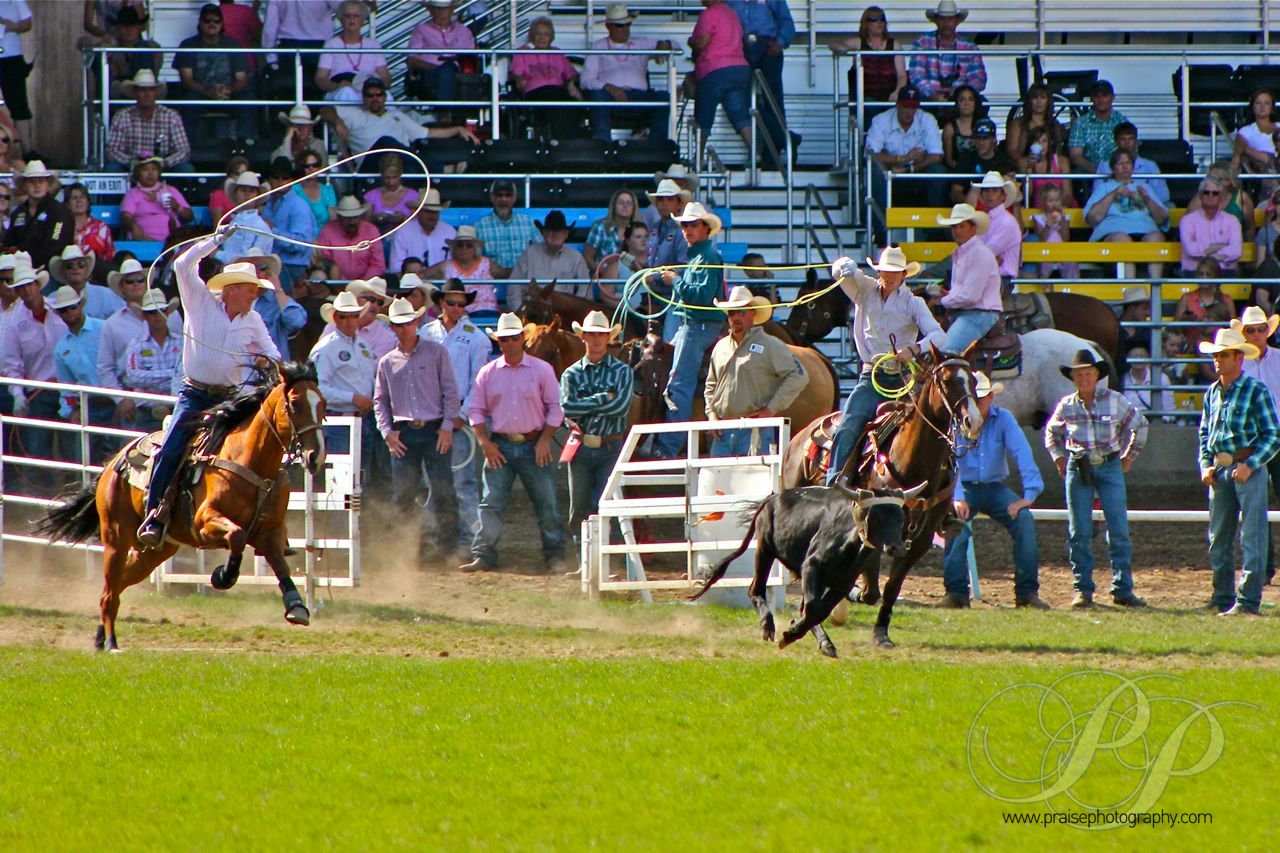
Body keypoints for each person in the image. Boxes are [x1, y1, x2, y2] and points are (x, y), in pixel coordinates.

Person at [136, 232, 282, 546]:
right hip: (195, 395)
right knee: (174, 446)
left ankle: (267, 522)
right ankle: (155, 514)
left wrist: (264, 361)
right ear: (231, 290)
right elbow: (182, 264)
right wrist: (215, 240)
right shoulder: (200, 302)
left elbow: (273, 354)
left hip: (230, 398)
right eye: (251, 289)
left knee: (258, 448)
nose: (255, 295)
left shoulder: (252, 320)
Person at [824, 246, 946, 484]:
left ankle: (944, 483)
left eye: (894, 271)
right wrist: (844, 265)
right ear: (878, 271)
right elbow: (839, 272)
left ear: (904, 274)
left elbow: (939, 335)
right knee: (849, 424)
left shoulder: (914, 303)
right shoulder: (865, 290)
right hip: (872, 376)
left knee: (932, 426)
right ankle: (834, 480)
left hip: (903, 378)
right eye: (884, 270)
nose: (888, 276)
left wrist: (913, 349)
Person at [460, 312, 566, 574]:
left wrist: (544, 441)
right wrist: (485, 442)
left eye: (513, 338)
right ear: (500, 342)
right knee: (492, 503)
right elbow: (475, 411)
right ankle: (484, 555)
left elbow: (556, 409)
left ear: (522, 339)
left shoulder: (542, 370)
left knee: (547, 502)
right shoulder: (488, 373)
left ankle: (554, 555)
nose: (509, 343)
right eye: (504, 339)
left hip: (532, 442)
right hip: (501, 444)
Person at [1045, 349, 1148, 609]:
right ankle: (1083, 589)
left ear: (1096, 376)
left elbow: (1140, 424)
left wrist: (1129, 457)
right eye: (1079, 375)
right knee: (1078, 531)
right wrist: (1058, 456)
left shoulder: (1114, 400)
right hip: (1078, 465)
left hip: (1109, 464)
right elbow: (1051, 432)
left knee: (1118, 529)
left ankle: (1122, 588)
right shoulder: (1066, 405)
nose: (1084, 379)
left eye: (1088, 374)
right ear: (1074, 378)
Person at [942, 373, 1048, 609]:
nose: (976, 404)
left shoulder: (1004, 419)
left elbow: (1022, 453)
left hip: (994, 487)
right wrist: (957, 496)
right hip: (966, 487)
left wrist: (1028, 496)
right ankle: (956, 594)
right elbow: (950, 463)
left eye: (980, 398)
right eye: (973, 399)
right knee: (957, 526)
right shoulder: (956, 421)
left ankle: (1027, 593)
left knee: (1024, 521)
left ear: (990, 397)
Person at [1197, 326, 1280, 615]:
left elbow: (1273, 435)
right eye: (1216, 355)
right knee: (1219, 537)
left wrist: (1252, 465)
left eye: (1224, 355)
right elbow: (1205, 433)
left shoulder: (1257, 391)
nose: (1218, 360)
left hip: (1247, 467)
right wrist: (1205, 465)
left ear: (1239, 358)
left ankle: (1247, 600)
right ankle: (1222, 596)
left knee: (1251, 536)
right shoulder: (1211, 393)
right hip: (1221, 470)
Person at [372, 295, 461, 560]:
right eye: (399, 325)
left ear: (416, 322)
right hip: (405, 431)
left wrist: (446, 427)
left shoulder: (437, 352)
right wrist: (387, 432)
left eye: (408, 323)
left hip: (434, 429)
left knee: (443, 489)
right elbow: (380, 400)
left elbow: (450, 392)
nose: (404, 328)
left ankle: (447, 548)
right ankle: (409, 549)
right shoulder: (386, 362)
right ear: (393, 328)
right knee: (404, 494)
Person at [651, 202, 728, 458]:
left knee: (678, 385)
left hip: (699, 325)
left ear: (705, 228)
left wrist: (676, 280)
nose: (687, 229)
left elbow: (702, 296)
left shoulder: (707, 257)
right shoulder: (698, 255)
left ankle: (668, 449)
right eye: (684, 225)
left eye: (693, 225)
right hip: (692, 324)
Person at [422, 279, 493, 548]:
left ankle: (470, 541)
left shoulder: (476, 337)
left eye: (461, 304)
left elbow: (478, 381)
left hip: (458, 418)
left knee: (464, 482)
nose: (456, 307)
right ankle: (434, 539)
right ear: (441, 303)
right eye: (451, 302)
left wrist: (461, 413)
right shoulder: (425, 333)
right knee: (430, 482)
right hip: (429, 416)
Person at [703, 285, 807, 456]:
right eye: (731, 313)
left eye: (741, 312)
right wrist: (711, 414)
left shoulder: (770, 344)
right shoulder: (720, 346)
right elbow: (711, 385)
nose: (736, 317)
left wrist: (771, 409)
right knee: (718, 482)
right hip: (722, 430)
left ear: (753, 313)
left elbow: (798, 375)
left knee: (753, 481)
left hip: (754, 429)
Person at [560, 310, 634, 529]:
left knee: (607, 506)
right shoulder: (570, 374)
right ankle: (585, 559)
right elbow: (567, 409)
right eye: (591, 334)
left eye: (601, 334)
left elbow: (621, 408)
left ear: (608, 337)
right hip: (582, 446)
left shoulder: (623, 372)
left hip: (609, 445)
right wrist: (602, 398)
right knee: (579, 507)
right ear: (583, 336)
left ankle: (609, 560)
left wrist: (585, 406)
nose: (596, 339)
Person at [1, 257, 68, 480]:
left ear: (38, 285)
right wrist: (18, 394)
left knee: (72, 450)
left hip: (67, 388)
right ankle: (40, 500)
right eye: (21, 287)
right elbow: (12, 364)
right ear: (17, 291)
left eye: (30, 285)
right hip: (38, 392)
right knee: (38, 452)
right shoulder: (13, 322)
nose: (27, 290)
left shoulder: (59, 309)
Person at [310, 289, 380, 480]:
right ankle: (337, 511)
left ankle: (358, 509)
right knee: (339, 477)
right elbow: (317, 389)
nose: (350, 321)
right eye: (344, 317)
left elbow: (368, 380)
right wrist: (353, 398)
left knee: (361, 474)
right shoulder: (326, 348)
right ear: (335, 318)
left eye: (354, 316)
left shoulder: (363, 346)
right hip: (337, 420)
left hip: (363, 419)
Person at [97, 260, 182, 416]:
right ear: (122, 286)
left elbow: (182, 358)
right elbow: (105, 368)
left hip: (174, 400)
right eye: (129, 281)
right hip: (135, 401)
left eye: (140, 279)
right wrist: (121, 399)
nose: (136, 284)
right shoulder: (112, 324)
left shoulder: (173, 316)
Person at [580, 4, 673, 142]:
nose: (625, 29)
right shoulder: (598, 46)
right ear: (608, 26)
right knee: (597, 97)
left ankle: (656, 147)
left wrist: (665, 44)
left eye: (627, 24)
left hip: (638, 96)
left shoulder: (641, 43)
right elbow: (586, 80)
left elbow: (677, 46)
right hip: (609, 97)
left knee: (663, 98)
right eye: (619, 25)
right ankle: (603, 146)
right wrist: (609, 87)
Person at [1234, 306, 1280, 583]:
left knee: (1257, 504)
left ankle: (1262, 568)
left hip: (1271, 438)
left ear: (1267, 331)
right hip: (1255, 442)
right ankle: (1263, 567)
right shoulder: (1240, 365)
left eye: (1260, 329)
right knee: (1255, 504)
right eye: (1250, 330)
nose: (1256, 334)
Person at [328, 76, 480, 157]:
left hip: (400, 165)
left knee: (417, 155)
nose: (375, 98)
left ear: (385, 97)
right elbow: (323, 109)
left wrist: (458, 129)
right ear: (363, 98)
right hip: (371, 165)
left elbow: (428, 133)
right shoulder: (355, 114)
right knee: (386, 142)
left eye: (379, 94)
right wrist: (338, 121)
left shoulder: (397, 116)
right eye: (370, 95)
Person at [48, 286, 116, 463]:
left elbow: (120, 362)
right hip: (89, 405)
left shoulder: (104, 328)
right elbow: (67, 388)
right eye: (64, 310)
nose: (69, 312)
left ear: (81, 305)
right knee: (86, 458)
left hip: (115, 399)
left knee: (119, 452)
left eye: (73, 307)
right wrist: (72, 410)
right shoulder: (61, 348)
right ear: (59, 314)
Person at [1082, 149, 1168, 280]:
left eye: (1128, 162)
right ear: (1113, 168)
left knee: (1156, 237)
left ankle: (1156, 290)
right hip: (1114, 234)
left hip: (1144, 232)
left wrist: (1147, 199)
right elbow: (1093, 218)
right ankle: (1131, 290)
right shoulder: (1104, 188)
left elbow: (1162, 219)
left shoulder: (1145, 187)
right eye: (1120, 163)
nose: (1125, 166)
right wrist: (1114, 193)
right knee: (1123, 240)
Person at [729, 0, 798, 162]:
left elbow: (786, 21)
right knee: (743, 99)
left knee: (772, 100)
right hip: (741, 48)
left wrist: (779, 43)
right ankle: (786, 139)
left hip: (767, 47)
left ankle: (771, 153)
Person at [172, 3, 252, 140]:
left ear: (222, 23)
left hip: (227, 93)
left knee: (246, 99)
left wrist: (229, 89)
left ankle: (245, 145)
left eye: (216, 21)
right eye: (207, 20)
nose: (212, 24)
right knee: (189, 100)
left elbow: (241, 79)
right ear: (200, 23)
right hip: (200, 93)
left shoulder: (233, 45)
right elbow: (186, 80)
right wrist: (207, 92)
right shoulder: (188, 45)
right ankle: (187, 145)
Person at [689, 0, 753, 153]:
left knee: (703, 118)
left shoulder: (709, 13)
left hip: (715, 70)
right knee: (740, 117)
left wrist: (691, 43)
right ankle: (756, 153)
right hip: (739, 69)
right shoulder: (732, 13)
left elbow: (702, 42)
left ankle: (697, 158)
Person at [866, 86, 945, 207]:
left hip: (917, 171)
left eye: (913, 107)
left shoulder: (927, 119)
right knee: (876, 172)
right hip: (890, 173)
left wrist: (910, 168)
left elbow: (936, 156)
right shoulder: (881, 120)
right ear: (897, 104)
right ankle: (879, 225)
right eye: (905, 106)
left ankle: (934, 224)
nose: (909, 111)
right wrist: (902, 159)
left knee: (938, 171)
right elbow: (871, 155)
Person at [936, 203, 1000, 351]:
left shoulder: (979, 253)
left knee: (946, 352)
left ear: (973, 228)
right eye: (954, 227)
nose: (957, 231)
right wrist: (949, 295)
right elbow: (964, 291)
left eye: (961, 226)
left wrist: (942, 300)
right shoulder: (962, 253)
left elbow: (971, 296)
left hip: (979, 314)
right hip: (967, 312)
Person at [509, 16, 583, 142]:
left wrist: (571, 83)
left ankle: (571, 143)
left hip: (558, 92)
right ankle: (562, 143)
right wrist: (518, 80)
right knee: (556, 104)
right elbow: (515, 73)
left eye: (546, 34)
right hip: (536, 93)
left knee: (571, 103)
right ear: (532, 36)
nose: (542, 37)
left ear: (552, 37)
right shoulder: (523, 52)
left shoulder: (557, 53)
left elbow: (571, 74)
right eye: (538, 34)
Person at [121, 289, 183, 434]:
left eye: (161, 310)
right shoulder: (136, 344)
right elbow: (132, 377)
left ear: (167, 312)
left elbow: (186, 375)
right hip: (146, 412)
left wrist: (151, 377)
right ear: (145, 317)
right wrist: (173, 374)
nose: (157, 316)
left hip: (176, 409)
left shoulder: (182, 342)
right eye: (152, 312)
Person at [106, 70, 192, 172]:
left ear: (156, 93)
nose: (146, 94)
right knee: (111, 169)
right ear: (135, 93)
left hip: (163, 167)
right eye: (142, 90)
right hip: (132, 167)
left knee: (186, 169)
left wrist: (164, 162)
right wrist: (132, 162)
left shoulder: (171, 116)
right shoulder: (122, 116)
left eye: (150, 90)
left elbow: (184, 151)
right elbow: (111, 150)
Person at [263, 0, 342, 101]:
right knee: (318, 92)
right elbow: (344, 10)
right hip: (319, 47)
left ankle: (290, 115)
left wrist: (271, 58)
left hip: (289, 48)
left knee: (290, 93)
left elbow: (270, 27)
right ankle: (317, 114)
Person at [908, 1, 986, 101]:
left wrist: (962, 94)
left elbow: (978, 79)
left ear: (957, 21)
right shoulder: (922, 42)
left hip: (960, 100)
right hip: (929, 98)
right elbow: (916, 75)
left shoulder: (969, 47)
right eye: (942, 19)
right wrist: (932, 94)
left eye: (950, 19)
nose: (946, 23)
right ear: (936, 20)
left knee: (981, 102)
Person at [510, 211, 591, 305]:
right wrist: (521, 313)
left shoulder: (576, 258)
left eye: (559, 231)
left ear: (566, 234)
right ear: (543, 233)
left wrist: (574, 311)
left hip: (565, 313)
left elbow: (585, 290)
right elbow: (514, 287)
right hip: (533, 312)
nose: (554, 234)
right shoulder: (529, 254)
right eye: (550, 230)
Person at [235, 249, 306, 357]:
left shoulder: (278, 301)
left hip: (271, 367)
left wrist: (277, 289)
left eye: (262, 267)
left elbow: (296, 322)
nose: (257, 271)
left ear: (268, 273)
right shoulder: (235, 300)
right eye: (251, 267)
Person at [423, 226, 509, 313]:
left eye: (469, 245)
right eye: (460, 245)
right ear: (454, 249)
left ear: (475, 249)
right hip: (457, 313)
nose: (464, 248)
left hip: (487, 311)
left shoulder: (487, 263)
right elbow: (422, 276)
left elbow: (506, 274)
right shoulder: (446, 266)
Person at [6, 162, 76, 268]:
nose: (37, 185)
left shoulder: (60, 212)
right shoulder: (18, 213)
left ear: (48, 185)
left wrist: (21, 252)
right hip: (20, 271)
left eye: (41, 181)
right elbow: (9, 242)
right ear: (25, 185)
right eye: (32, 181)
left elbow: (55, 246)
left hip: (52, 271)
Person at [406, 0, 476, 105]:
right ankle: (445, 111)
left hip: (460, 75)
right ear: (430, 10)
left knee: (451, 69)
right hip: (430, 74)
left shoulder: (464, 31)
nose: (441, 13)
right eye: (437, 8)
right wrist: (433, 67)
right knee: (447, 69)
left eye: (445, 8)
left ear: (452, 10)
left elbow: (472, 57)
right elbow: (412, 60)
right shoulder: (421, 30)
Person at [315, 0, 390, 93]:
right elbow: (320, 78)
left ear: (363, 19)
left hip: (367, 92)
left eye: (356, 16)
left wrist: (376, 87)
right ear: (341, 19)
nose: (352, 19)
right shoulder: (331, 44)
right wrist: (337, 86)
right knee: (347, 92)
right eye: (347, 16)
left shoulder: (373, 45)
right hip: (340, 90)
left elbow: (385, 76)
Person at [261, 162, 316, 287]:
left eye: (285, 178)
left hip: (292, 265)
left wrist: (272, 231)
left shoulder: (299, 206)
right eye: (276, 177)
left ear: (292, 180)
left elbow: (301, 243)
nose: (280, 181)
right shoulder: (268, 203)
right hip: (271, 263)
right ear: (269, 179)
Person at [474, 180, 541, 279]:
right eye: (499, 195)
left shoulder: (527, 222)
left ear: (514, 198)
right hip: (492, 282)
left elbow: (541, 250)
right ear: (492, 197)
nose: (503, 199)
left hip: (524, 281)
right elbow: (474, 260)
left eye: (508, 195)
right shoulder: (479, 226)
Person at [1097, 122, 1171, 209]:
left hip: (1144, 207)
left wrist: (1139, 199)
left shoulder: (1150, 166)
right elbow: (1097, 195)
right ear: (1116, 141)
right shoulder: (1104, 166)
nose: (1127, 142)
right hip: (1114, 208)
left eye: (1130, 139)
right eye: (1122, 139)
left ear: (1136, 141)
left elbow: (1164, 196)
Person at [120, 156, 194, 242]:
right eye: (145, 170)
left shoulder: (171, 190)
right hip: (143, 240)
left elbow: (189, 217)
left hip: (172, 240)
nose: (150, 173)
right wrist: (134, 227)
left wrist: (177, 207)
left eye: (154, 169)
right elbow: (125, 217)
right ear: (137, 174)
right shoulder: (132, 193)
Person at [1179, 178, 1243, 276]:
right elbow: (1191, 250)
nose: (1211, 195)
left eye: (1215, 193)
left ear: (1220, 197)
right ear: (1200, 196)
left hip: (1224, 272)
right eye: (1206, 192)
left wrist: (1209, 252)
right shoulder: (1187, 220)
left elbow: (1236, 251)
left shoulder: (1232, 220)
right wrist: (1221, 247)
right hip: (1195, 272)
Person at [317, 195, 387, 281]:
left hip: (367, 285)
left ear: (361, 216)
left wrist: (362, 283)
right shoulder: (327, 231)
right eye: (347, 218)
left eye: (355, 217)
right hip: (335, 284)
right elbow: (324, 262)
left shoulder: (371, 230)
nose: (352, 222)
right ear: (339, 217)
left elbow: (378, 264)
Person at [1067, 79, 1129, 175]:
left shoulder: (1122, 121)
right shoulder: (1081, 123)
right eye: (1097, 96)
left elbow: (1130, 151)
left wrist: (1116, 171)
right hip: (1089, 171)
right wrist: (1096, 170)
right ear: (1091, 98)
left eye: (1105, 96)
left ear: (1113, 97)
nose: (1101, 100)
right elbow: (1075, 155)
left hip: (1118, 172)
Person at [970, 171, 1022, 284]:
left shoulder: (1007, 222)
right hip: (986, 275)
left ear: (1003, 196)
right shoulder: (984, 218)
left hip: (1000, 279)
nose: (990, 195)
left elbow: (986, 253)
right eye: (987, 191)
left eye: (994, 190)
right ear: (982, 195)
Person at [48, 245, 124, 321]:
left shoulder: (106, 294)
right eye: (69, 266)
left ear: (87, 269)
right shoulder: (52, 299)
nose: (75, 268)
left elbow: (124, 319)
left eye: (80, 265)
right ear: (63, 271)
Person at [105, 6, 165, 100]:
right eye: (125, 26)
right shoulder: (111, 48)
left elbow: (153, 71)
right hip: (122, 89)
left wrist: (122, 70)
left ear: (138, 27)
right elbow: (110, 73)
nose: (129, 30)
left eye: (132, 25)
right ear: (118, 28)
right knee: (113, 88)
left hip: (147, 87)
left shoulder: (153, 47)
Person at [214, 172, 274, 265]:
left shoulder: (261, 227)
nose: (247, 194)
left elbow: (248, 261)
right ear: (236, 194)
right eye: (243, 190)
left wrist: (216, 254)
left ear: (257, 196)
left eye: (251, 191)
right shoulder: (233, 222)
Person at [389, 189, 455, 271]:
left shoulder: (449, 231)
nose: (432, 216)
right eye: (428, 211)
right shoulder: (403, 232)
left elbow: (455, 264)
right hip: (412, 281)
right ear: (418, 211)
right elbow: (395, 267)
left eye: (435, 212)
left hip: (443, 281)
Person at [1175, 265, 1236, 350]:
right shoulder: (1187, 298)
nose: (1204, 277)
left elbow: (1233, 328)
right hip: (1193, 343)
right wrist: (1188, 319)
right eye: (1201, 274)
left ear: (1215, 277)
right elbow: (1175, 328)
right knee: (1201, 343)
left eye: (1208, 274)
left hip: (1220, 342)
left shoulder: (1226, 300)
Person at [1025, 185, 1078, 280]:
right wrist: (1048, 225)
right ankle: (1044, 282)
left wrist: (1062, 221)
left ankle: (1072, 285)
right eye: (1050, 201)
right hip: (1045, 250)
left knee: (1071, 262)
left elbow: (1065, 238)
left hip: (1061, 250)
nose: (1054, 203)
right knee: (1044, 263)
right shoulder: (1039, 218)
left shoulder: (1064, 218)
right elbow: (1041, 239)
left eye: (1057, 200)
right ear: (1043, 202)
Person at [1005, 81, 1066, 162]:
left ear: (1048, 101)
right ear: (1029, 101)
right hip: (1024, 168)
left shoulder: (1054, 124)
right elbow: (1012, 151)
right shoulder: (1017, 123)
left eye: (1043, 97)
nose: (1039, 101)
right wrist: (1025, 162)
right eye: (1035, 97)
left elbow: (1058, 152)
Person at [364, 153, 421, 234]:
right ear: (381, 175)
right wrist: (375, 219)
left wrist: (403, 219)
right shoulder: (371, 196)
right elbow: (365, 226)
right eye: (387, 178)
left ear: (400, 174)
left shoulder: (413, 196)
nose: (391, 182)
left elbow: (418, 226)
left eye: (394, 177)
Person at [584, 189, 641, 269]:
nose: (625, 206)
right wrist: (603, 273)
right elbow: (588, 258)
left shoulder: (639, 230)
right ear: (614, 206)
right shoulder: (600, 227)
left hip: (632, 278)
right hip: (603, 277)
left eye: (629, 203)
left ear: (634, 208)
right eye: (621, 202)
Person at [1020, 125, 1074, 211]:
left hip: (1061, 208)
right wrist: (1029, 168)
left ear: (1049, 143)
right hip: (1038, 211)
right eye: (1037, 141)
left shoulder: (1062, 161)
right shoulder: (1024, 162)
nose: (1041, 145)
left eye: (1044, 141)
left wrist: (1056, 210)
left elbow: (1068, 194)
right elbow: (1026, 196)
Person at [645, 178, 690, 278]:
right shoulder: (655, 228)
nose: (665, 203)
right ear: (656, 204)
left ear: (679, 204)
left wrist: (655, 276)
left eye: (670, 199)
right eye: (661, 199)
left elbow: (684, 267)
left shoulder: (684, 230)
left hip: (674, 291)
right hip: (656, 290)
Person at [0, 2, 31, 143]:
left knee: (19, 107)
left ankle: (28, 153)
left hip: (11, 57)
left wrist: (12, 27)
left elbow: (27, 23)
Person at [1121, 345, 1173, 424]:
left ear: (1148, 358)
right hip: (1129, 425)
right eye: (1135, 356)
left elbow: (1169, 409)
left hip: (1156, 424)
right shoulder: (1122, 380)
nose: (1138, 359)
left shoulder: (1162, 379)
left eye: (1142, 356)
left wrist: (1162, 424)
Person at [1232, 88, 1277, 175]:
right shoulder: (1245, 131)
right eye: (1258, 103)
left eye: (1266, 103)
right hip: (1262, 170)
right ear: (1253, 107)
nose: (1262, 106)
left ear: (1272, 109)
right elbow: (1237, 155)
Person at [66, 184, 116, 264]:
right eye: (74, 198)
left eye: (82, 197)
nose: (79, 201)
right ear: (67, 204)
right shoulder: (62, 227)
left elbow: (110, 256)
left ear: (88, 201)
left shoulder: (101, 227)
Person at [291, 151, 337, 236]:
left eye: (315, 165)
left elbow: (333, 221)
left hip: (324, 241)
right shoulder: (293, 190)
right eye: (306, 166)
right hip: (300, 239)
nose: (311, 168)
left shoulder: (328, 190)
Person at [942, 84, 982, 170]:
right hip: (957, 171)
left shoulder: (983, 125)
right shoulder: (950, 128)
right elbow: (948, 159)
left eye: (970, 99)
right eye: (962, 100)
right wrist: (962, 170)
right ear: (957, 103)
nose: (966, 103)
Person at [209, 155, 251, 225]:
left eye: (243, 173)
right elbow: (217, 225)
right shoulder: (218, 195)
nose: (240, 177)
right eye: (237, 173)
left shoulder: (251, 194)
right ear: (230, 175)